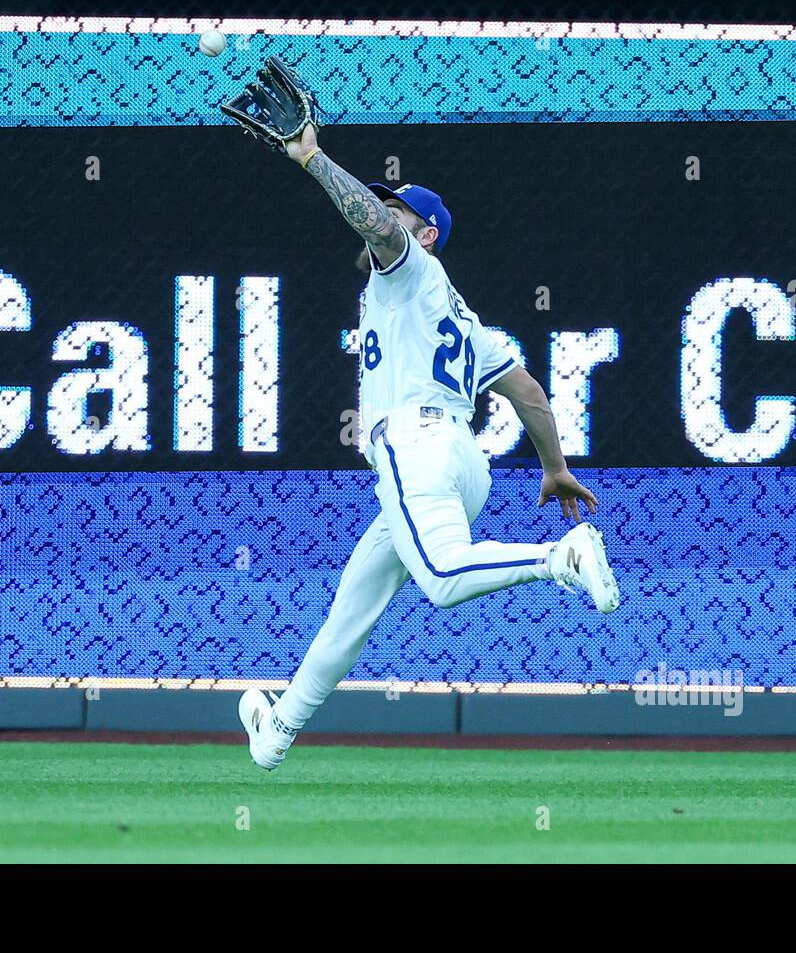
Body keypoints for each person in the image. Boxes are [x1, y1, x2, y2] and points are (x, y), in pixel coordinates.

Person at [238, 119, 621, 771]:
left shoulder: (411, 268)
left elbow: (382, 232)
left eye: (397, 209)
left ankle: (561, 557)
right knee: (354, 601)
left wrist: (312, 159)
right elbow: (528, 391)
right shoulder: (466, 318)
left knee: (443, 577)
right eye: (381, 202)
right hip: (462, 461)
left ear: (428, 232)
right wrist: (554, 468)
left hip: (413, 443)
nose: (381, 215)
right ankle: (277, 727)